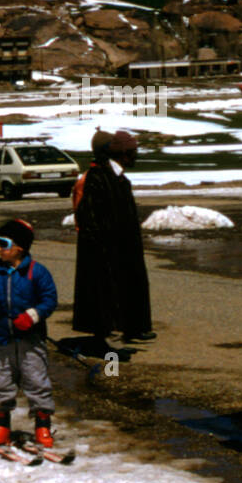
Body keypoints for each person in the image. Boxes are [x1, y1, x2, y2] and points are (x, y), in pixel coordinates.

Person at [72, 129, 154, 343]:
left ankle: (130, 327)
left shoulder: (116, 178)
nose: (136, 156)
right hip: (107, 245)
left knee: (125, 284)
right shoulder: (99, 178)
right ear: (123, 153)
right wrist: (102, 243)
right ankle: (112, 328)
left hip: (120, 243)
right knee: (107, 287)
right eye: (133, 151)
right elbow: (88, 216)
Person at [0, 219, 59, 448]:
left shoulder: (37, 272)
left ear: (20, 247)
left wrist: (32, 316)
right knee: (2, 380)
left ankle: (43, 425)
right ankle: (2, 424)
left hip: (31, 339)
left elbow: (49, 300)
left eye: (4, 243)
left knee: (36, 380)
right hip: (4, 338)